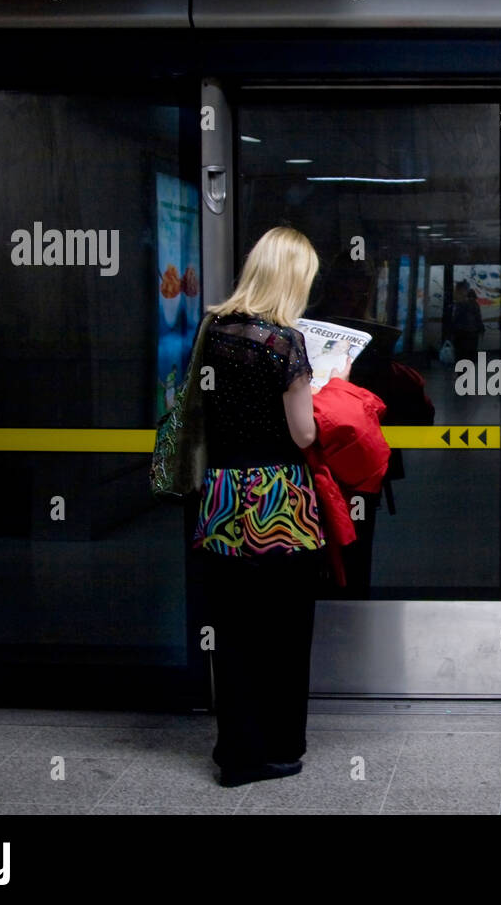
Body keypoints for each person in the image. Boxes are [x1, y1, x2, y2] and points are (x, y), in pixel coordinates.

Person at [191, 225, 348, 788]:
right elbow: (304, 433)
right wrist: (333, 383)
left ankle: (236, 749)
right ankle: (279, 747)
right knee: (282, 633)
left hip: (223, 500)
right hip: (278, 505)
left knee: (231, 632)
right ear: (291, 279)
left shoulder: (212, 331)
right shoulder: (285, 343)